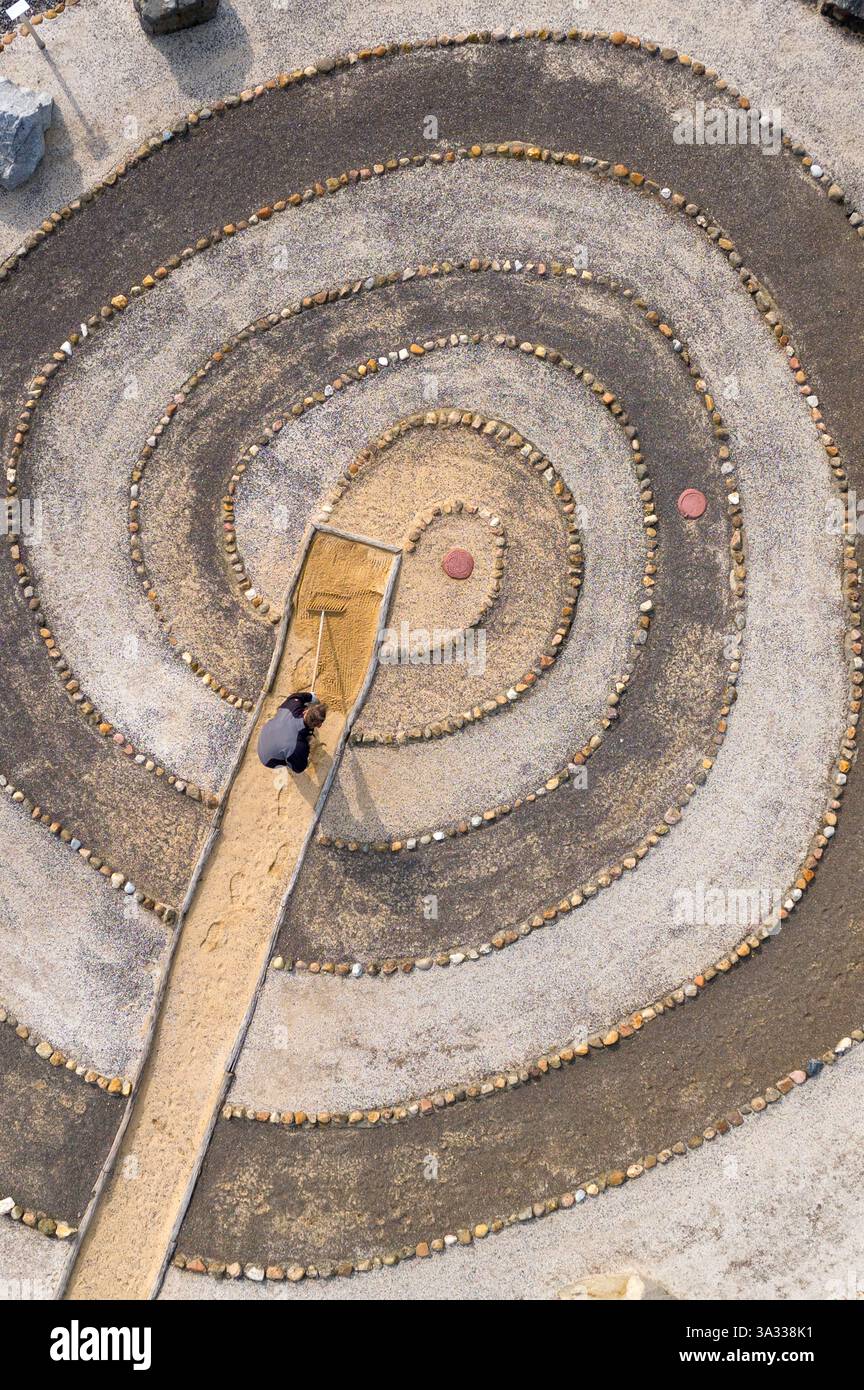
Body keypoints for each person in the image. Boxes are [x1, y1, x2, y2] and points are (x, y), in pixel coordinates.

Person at [257, 691, 327, 773]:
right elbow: (299, 769)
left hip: (263, 737)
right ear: (319, 725)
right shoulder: (300, 746)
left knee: (292, 749)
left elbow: (297, 696)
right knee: (296, 759)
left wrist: (311, 697)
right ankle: (286, 760)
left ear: (306, 711)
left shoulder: (292, 704)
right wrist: (305, 751)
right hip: (268, 760)